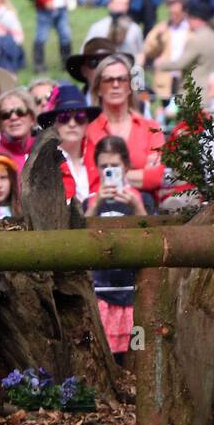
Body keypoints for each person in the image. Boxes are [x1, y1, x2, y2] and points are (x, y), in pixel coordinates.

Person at [85, 136, 146, 361]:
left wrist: (136, 206)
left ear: (127, 166)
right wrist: (95, 205)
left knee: (137, 354)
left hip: (133, 297)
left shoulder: (141, 200)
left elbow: (151, 234)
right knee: (106, 357)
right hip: (101, 297)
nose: (109, 171)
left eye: (115, 166)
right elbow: (78, 236)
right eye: (104, 167)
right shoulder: (89, 202)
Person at [83, 55, 165, 202]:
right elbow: (93, 182)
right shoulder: (89, 131)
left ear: (129, 87)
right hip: (104, 211)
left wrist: (110, 175)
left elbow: (157, 177)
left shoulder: (151, 127)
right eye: (108, 80)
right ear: (98, 89)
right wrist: (140, 174)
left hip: (147, 211)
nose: (115, 85)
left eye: (121, 79)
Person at [152, 0, 214, 97]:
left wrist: (161, 64)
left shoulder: (195, 40)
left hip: (193, 94)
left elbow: (180, 64)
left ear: (194, 18)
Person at [37, 84, 100, 205]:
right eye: (64, 118)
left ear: (87, 122)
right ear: (53, 124)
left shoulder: (101, 155)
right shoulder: (42, 162)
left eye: (80, 117)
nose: (72, 124)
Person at [142, 0, 189, 104]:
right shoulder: (162, 28)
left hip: (184, 76)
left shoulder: (190, 29)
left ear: (184, 12)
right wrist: (158, 38)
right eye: (171, 13)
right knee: (166, 108)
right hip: (166, 78)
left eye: (176, 14)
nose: (173, 17)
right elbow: (148, 50)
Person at [83, 0, 145, 64]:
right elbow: (85, 51)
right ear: (110, 4)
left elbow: (140, 54)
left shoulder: (135, 29)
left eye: (125, 4)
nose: (121, 7)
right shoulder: (97, 27)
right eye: (118, 3)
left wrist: (137, 73)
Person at [66, 39, 134, 104]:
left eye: (108, 63)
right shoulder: (73, 106)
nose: (101, 68)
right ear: (84, 71)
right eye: (94, 62)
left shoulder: (138, 105)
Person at [0, 88, 37, 174]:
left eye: (20, 112)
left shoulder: (48, 151)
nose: (13, 117)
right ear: (0, 123)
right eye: (5, 114)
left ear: (32, 119)